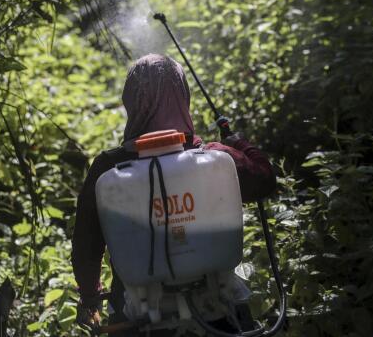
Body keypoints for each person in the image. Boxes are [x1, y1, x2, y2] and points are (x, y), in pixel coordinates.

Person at [71, 54, 276, 335]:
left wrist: (90, 296)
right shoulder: (214, 157)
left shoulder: (108, 168)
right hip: (219, 310)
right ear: (182, 96)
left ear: (131, 99)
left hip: (138, 315)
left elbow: (86, 245)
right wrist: (239, 142)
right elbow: (265, 179)